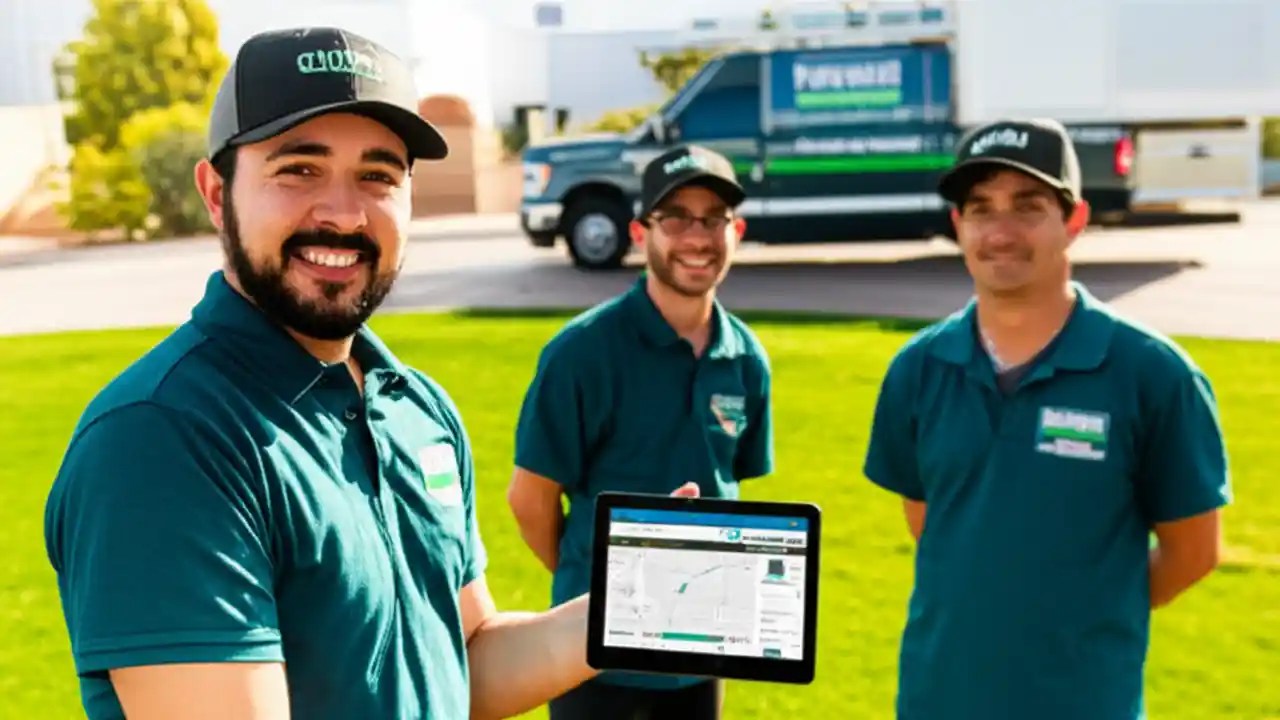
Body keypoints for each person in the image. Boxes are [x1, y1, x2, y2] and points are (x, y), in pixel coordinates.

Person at [42, 26, 700, 720]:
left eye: (378, 175)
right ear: (215, 192)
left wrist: (632, 601)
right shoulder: (163, 439)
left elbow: (462, 659)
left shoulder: (416, 409)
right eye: (298, 168)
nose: (344, 213)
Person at [862, 117, 1231, 720]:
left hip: (1083, 702)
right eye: (981, 208)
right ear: (959, 225)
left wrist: (1084, 613)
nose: (1000, 232)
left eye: (1028, 206)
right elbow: (934, 523)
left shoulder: (1154, 374)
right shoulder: (918, 369)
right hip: (937, 699)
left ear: (1075, 221)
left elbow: (1193, 552)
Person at [506, 145, 775, 719]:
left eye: (713, 219)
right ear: (639, 232)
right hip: (595, 659)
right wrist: (610, 586)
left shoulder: (746, 358)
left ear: (737, 230)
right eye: (675, 217)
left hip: (700, 655)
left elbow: (731, 491)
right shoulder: (582, 354)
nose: (696, 237)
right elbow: (529, 500)